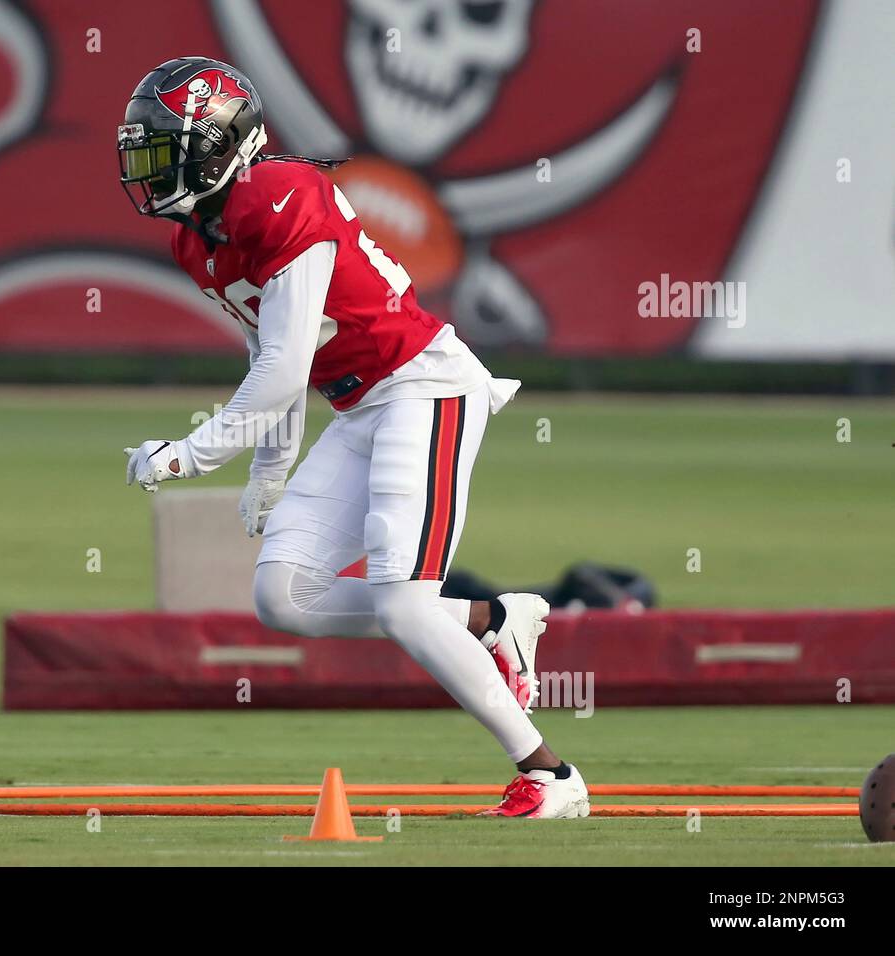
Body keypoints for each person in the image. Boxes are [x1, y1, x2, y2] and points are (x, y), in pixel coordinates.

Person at [118, 57, 588, 818]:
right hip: (361, 406)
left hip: (425, 385)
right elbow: (273, 353)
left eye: (166, 146)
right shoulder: (198, 239)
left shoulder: (280, 193)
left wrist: (190, 453)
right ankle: (494, 619)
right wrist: (269, 474)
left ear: (219, 143)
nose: (149, 168)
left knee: (404, 603)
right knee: (283, 593)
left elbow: (283, 363)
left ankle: (552, 775)